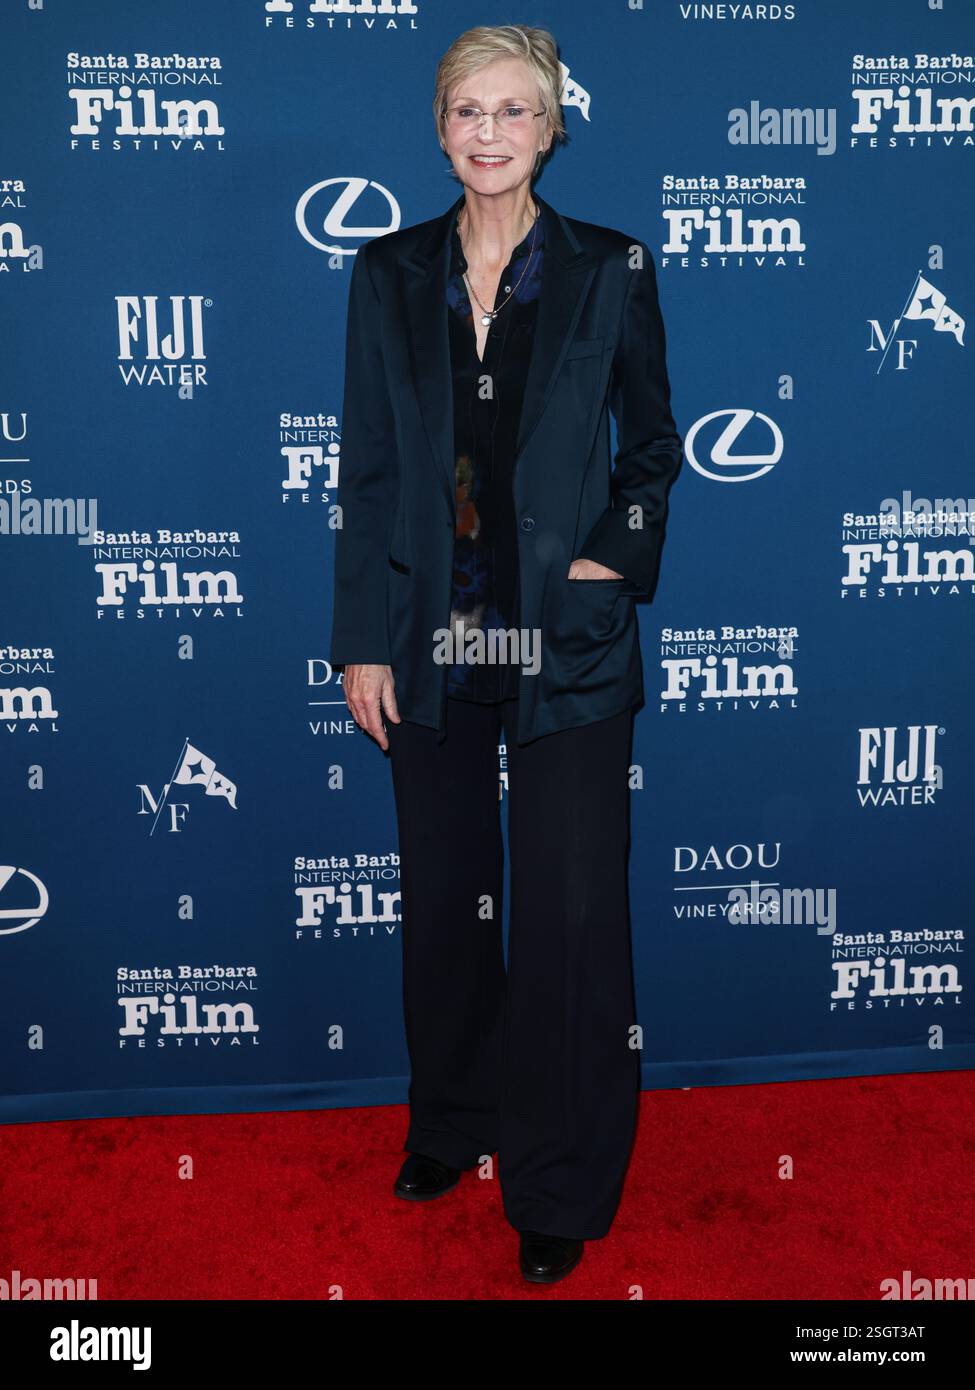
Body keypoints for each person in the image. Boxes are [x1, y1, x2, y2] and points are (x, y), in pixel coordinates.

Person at [330, 23, 683, 1285]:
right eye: (468, 111)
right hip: (431, 641)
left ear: (552, 128)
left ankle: (557, 1178)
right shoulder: (387, 273)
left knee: (575, 918)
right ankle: (454, 1120)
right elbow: (367, 469)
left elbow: (653, 445)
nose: (490, 132)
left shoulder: (612, 268)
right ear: (440, 130)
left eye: (515, 111)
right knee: (444, 903)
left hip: (567, 644)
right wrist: (362, 639)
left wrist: (607, 562)